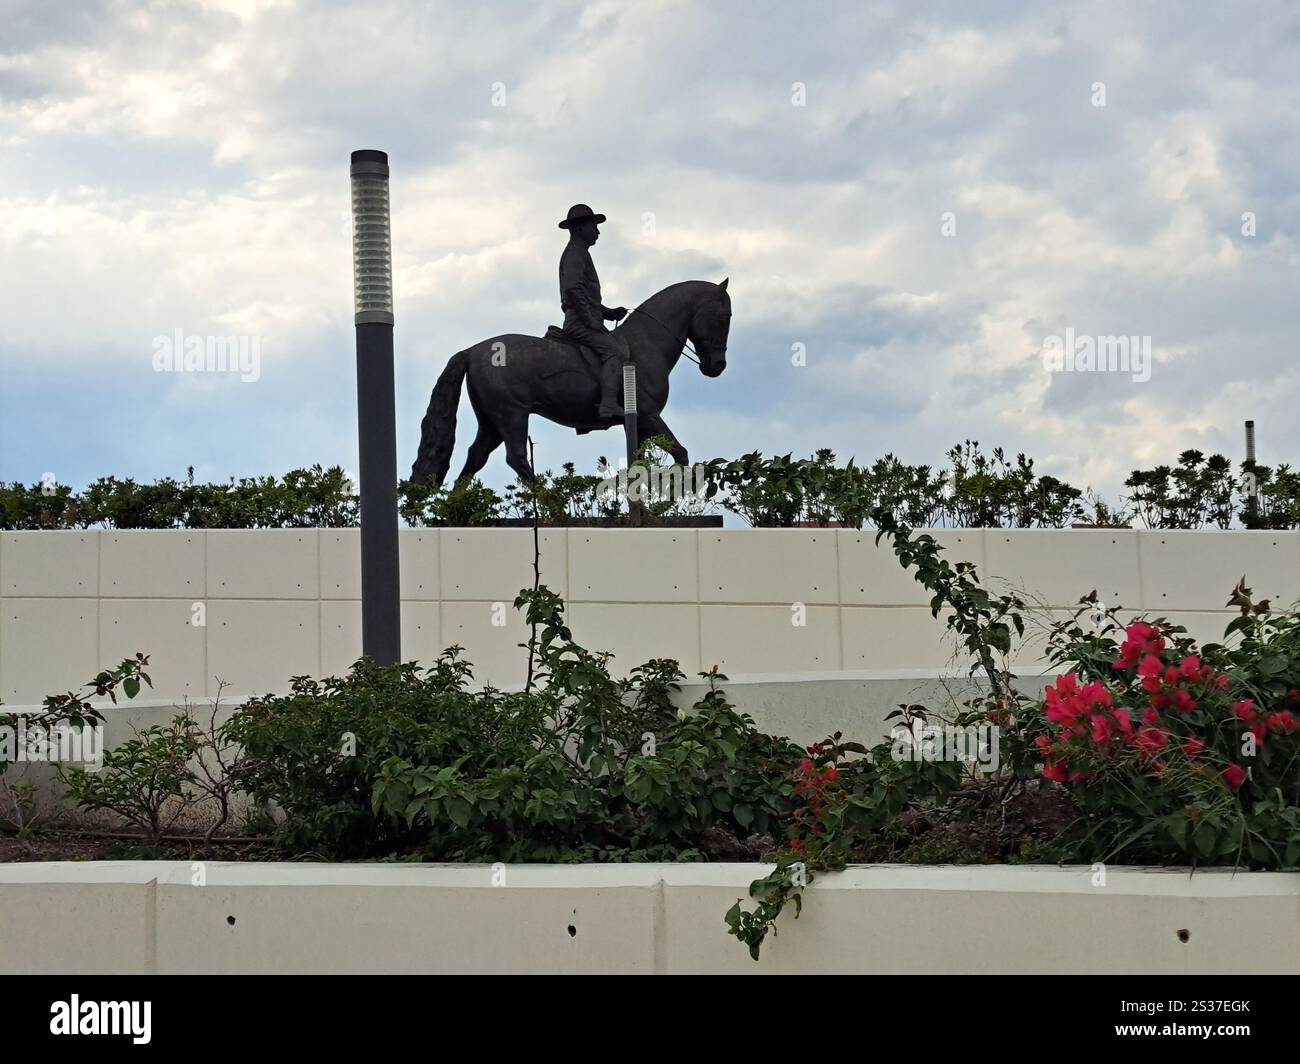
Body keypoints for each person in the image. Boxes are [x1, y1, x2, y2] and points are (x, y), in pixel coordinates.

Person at [557, 204, 630, 418]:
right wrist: (590, 320)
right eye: (593, 226)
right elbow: (572, 290)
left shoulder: (580, 254)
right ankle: (607, 403)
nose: (597, 232)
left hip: (585, 318)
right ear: (579, 229)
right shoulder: (574, 254)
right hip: (579, 323)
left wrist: (608, 313)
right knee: (615, 353)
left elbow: (585, 296)